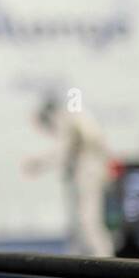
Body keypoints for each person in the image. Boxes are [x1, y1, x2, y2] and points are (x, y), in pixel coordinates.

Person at [24, 97, 115, 258]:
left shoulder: (65, 118)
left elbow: (62, 151)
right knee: (78, 222)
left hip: (87, 173)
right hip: (87, 171)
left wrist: (37, 163)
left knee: (87, 220)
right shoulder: (76, 118)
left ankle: (104, 260)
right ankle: (79, 260)